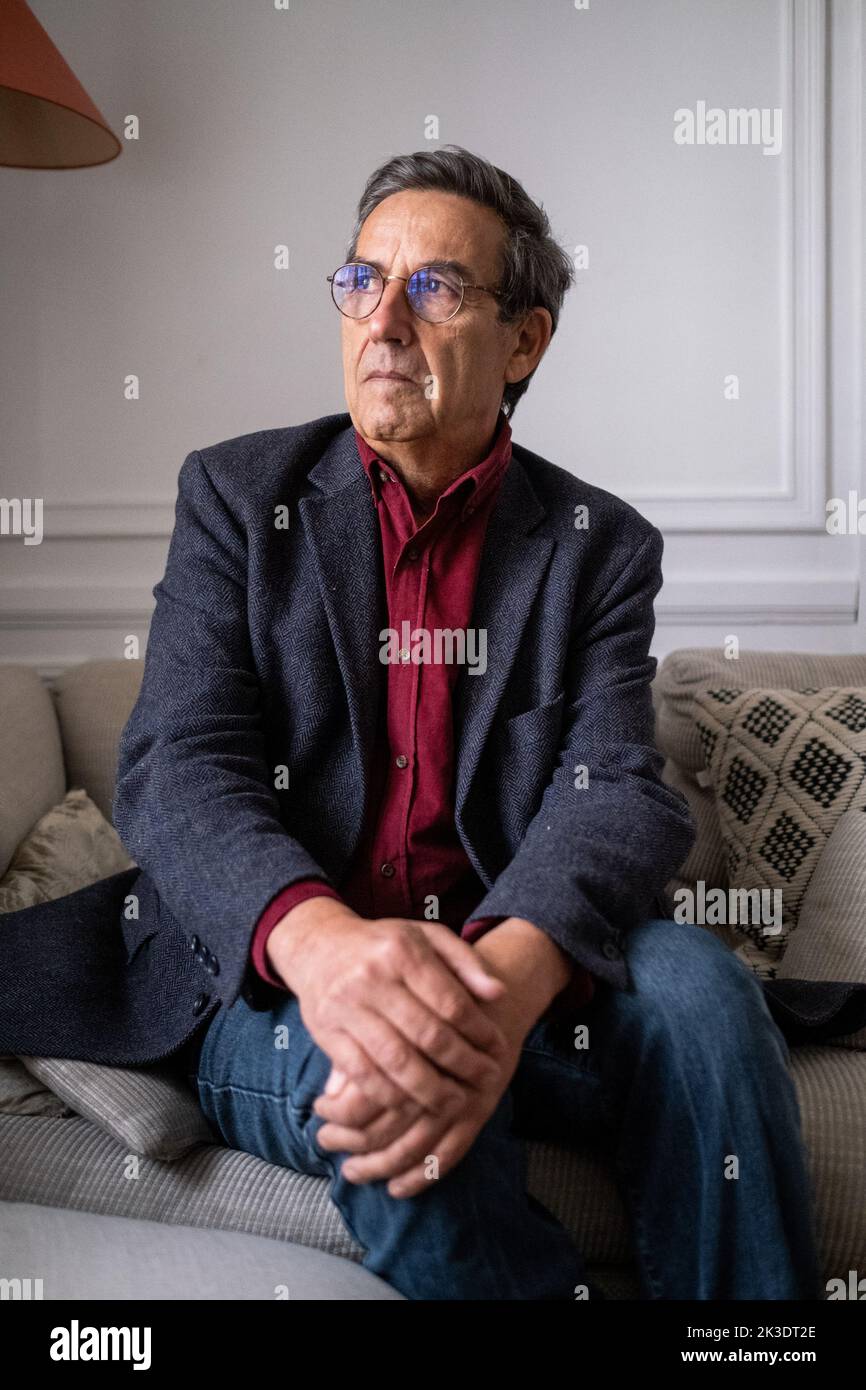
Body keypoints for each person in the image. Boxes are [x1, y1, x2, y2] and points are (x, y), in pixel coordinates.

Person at [1, 146, 830, 1301]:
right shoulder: (240, 498)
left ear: (524, 341)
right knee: (383, 1064)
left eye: (434, 287)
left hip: (511, 962)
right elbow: (180, 765)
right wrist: (330, 951)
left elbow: (616, 787)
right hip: (277, 990)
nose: (382, 320)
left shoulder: (598, 544)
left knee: (698, 991)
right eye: (360, 281)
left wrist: (495, 982)